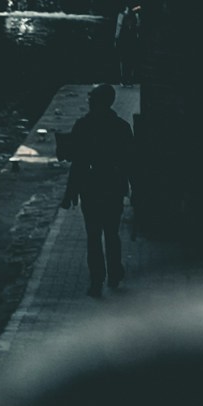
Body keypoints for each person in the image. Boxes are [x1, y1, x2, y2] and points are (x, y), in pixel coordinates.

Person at [59, 84, 137, 298]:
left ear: (96, 101)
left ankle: (96, 279)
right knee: (112, 233)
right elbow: (130, 162)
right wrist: (135, 189)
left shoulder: (83, 125)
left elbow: (77, 163)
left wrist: (70, 194)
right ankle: (114, 272)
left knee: (93, 236)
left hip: (90, 187)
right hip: (113, 186)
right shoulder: (121, 127)